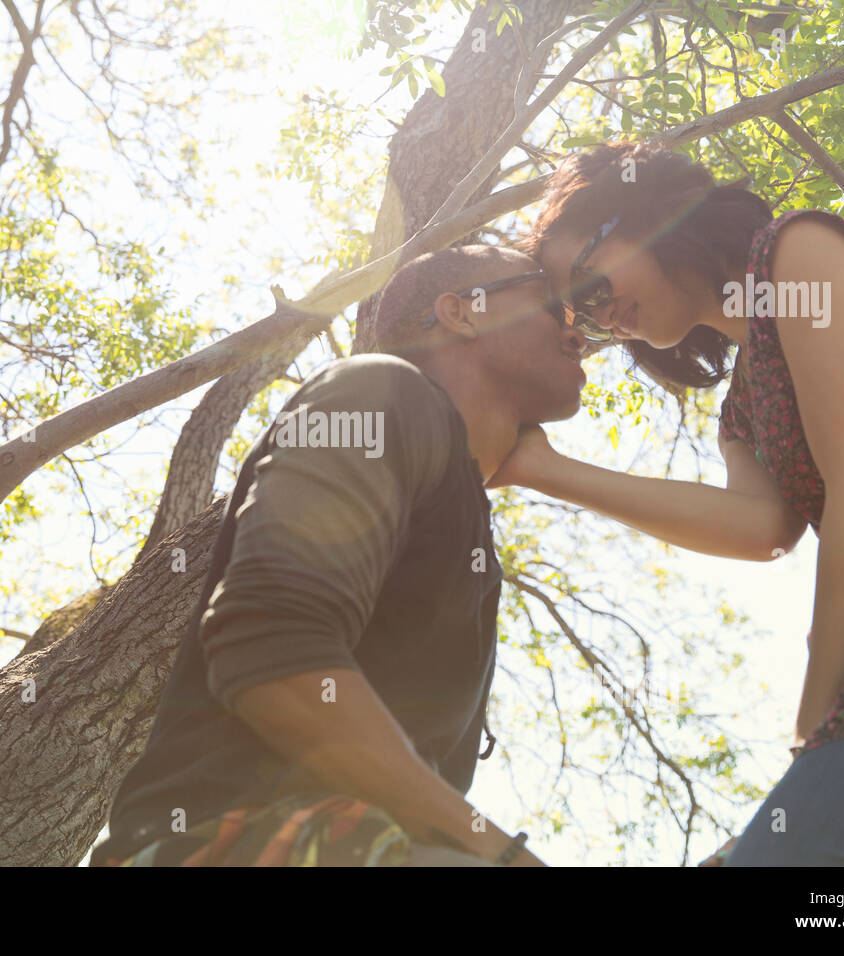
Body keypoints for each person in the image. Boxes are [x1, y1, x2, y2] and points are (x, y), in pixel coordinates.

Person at [492, 141, 844, 865]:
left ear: (651, 214)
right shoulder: (743, 407)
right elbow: (762, 530)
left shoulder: (798, 254)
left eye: (590, 283)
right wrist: (543, 470)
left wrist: (814, 738)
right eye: (582, 316)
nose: (602, 316)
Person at [89, 244, 588, 866]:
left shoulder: (471, 533)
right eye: (551, 302)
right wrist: (502, 854)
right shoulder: (378, 390)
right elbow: (274, 646)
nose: (579, 333)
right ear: (464, 314)